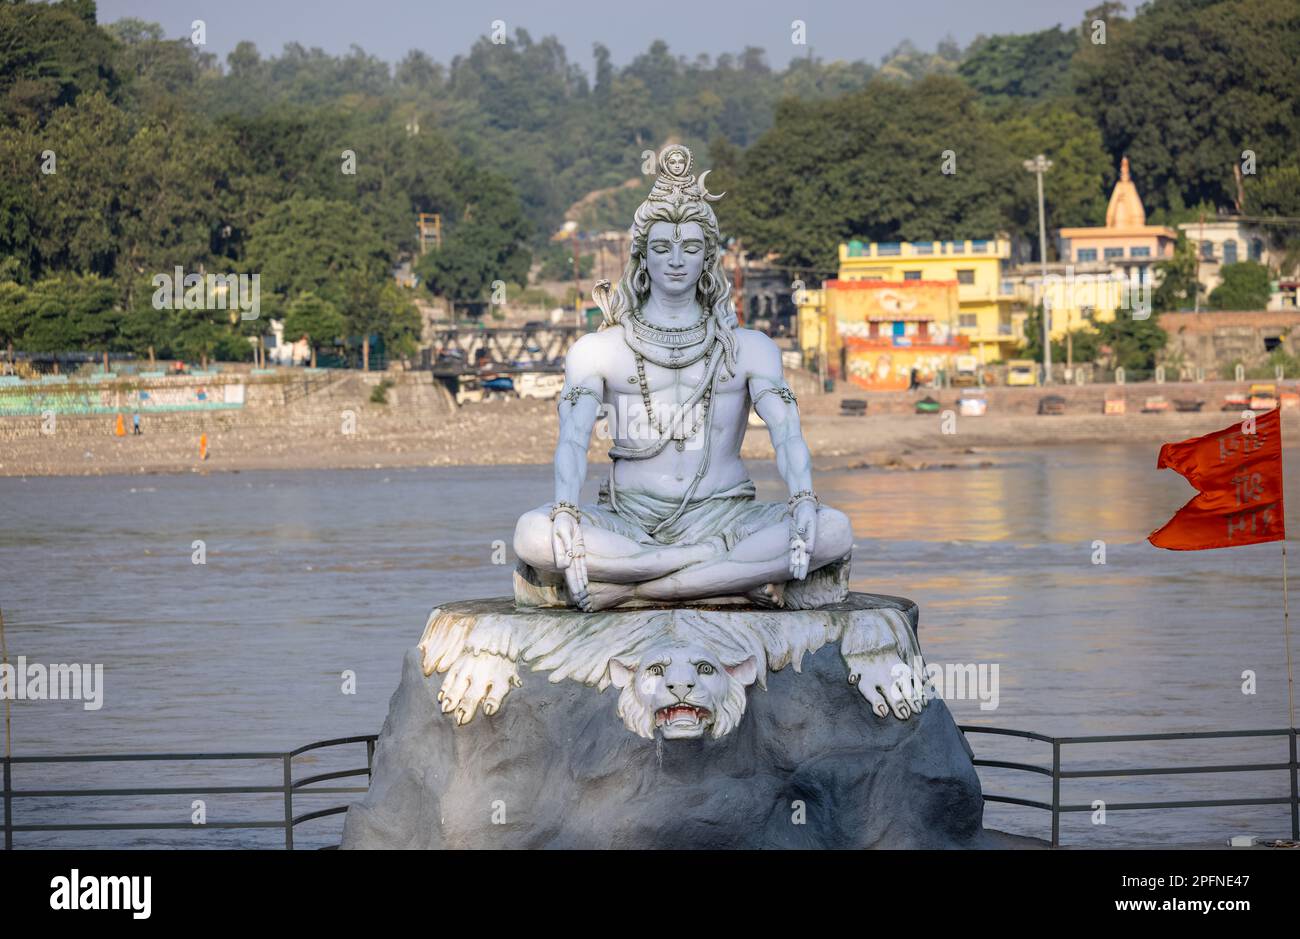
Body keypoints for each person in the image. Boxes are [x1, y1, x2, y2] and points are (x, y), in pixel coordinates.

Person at [513, 145, 852, 611]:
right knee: (533, 535)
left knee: (833, 531)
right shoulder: (600, 350)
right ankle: (719, 576)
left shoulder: (749, 348)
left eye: (691, 248)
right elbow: (572, 441)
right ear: (642, 258)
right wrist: (567, 510)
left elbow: (787, 435)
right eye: (661, 247)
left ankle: (634, 587)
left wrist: (803, 500)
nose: (676, 260)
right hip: (629, 521)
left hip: (727, 515)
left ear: (708, 259)